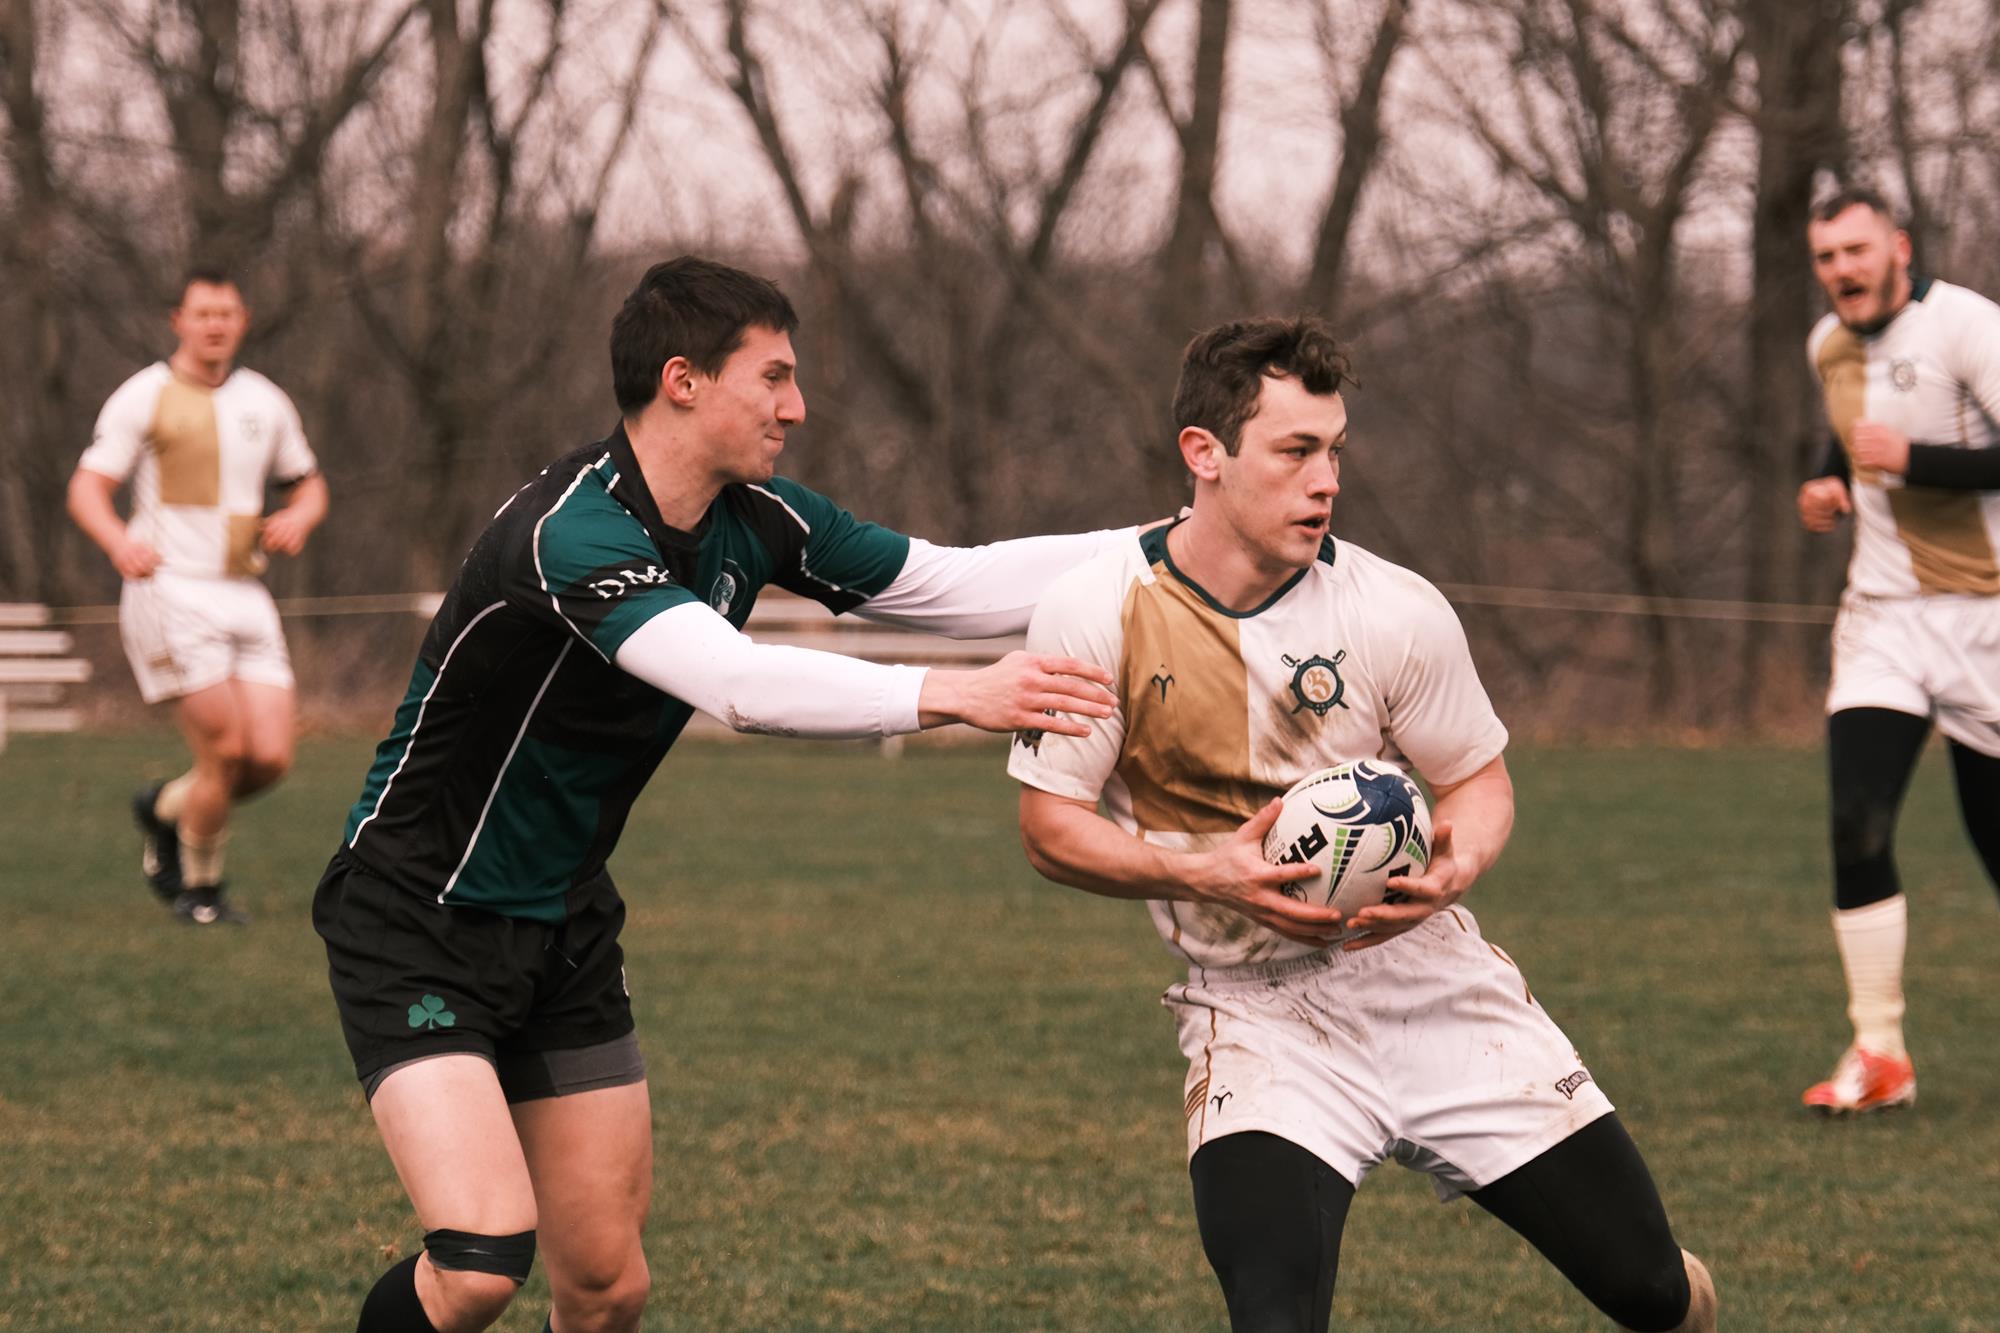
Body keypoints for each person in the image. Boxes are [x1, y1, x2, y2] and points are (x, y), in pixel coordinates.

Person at [319, 255, 1130, 1333]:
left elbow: (950, 581)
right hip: (419, 914)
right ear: (683, 381)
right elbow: (737, 686)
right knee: (478, 1261)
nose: (797, 407)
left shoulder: (759, 518)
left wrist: (1178, 545)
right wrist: (952, 694)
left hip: (562, 922)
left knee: (607, 1289)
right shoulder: (570, 532)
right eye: (774, 377)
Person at [1009, 317, 1715, 1332]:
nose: (1326, 480)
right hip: (1256, 1014)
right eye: (1295, 451)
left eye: (1334, 450)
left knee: (1651, 1293)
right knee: (1274, 1316)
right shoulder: (1097, 610)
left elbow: (1477, 783)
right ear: (1204, 453)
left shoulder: (1394, 610)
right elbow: (1049, 829)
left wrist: (1456, 866)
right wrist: (1210, 873)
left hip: (1427, 984)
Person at [1793, 187, 2000, 1115]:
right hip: (1882, 618)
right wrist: (1829, 486)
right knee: (1856, 821)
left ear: (1899, 249)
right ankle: (1880, 1051)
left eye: (1857, 250)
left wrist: (1918, 463)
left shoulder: (1966, 327)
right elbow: (1849, 440)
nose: (1842, 269)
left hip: (1985, 622)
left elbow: (1905, 449)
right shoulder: (1826, 345)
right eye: (1827, 256)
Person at [67, 267, 328, 926]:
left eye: (226, 314)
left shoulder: (265, 400)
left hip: (246, 593)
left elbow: (308, 483)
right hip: (171, 590)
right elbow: (88, 488)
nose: (215, 325)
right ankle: (201, 893)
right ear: (178, 321)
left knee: (269, 760)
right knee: (226, 752)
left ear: (242, 322)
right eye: (203, 313)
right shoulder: (144, 395)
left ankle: (161, 809)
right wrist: (117, 541)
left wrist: (299, 516)